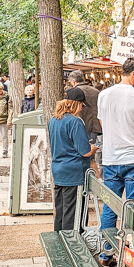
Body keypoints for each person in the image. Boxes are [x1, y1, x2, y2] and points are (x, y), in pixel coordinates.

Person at [96, 57, 134, 238]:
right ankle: (131, 252)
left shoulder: (103, 95)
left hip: (111, 158)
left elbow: (103, 124)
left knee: (110, 206)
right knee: (133, 207)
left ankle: (107, 251)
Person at [49, 91, 97, 231]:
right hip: (74, 173)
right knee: (74, 214)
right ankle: (71, 245)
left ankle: (59, 241)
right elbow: (85, 151)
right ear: (77, 104)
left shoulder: (54, 120)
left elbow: (65, 142)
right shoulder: (75, 121)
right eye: (82, 105)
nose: (82, 108)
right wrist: (92, 149)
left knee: (61, 212)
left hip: (59, 170)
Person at [66, 70, 100, 150]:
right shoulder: (96, 92)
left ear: (73, 82)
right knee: (91, 151)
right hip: (95, 125)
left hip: (79, 126)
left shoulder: (73, 93)